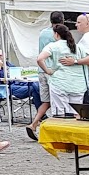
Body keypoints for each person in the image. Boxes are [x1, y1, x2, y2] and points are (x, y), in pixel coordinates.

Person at [24, 11, 66, 140]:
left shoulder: (42, 33)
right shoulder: (59, 35)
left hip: (41, 70)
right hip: (53, 71)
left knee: (46, 101)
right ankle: (55, 131)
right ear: (63, 20)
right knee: (59, 101)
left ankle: (34, 123)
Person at [38, 24, 87, 118]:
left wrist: (47, 71)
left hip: (59, 83)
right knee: (76, 113)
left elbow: (40, 59)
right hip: (78, 84)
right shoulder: (78, 47)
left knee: (59, 113)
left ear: (56, 34)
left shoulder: (52, 46)